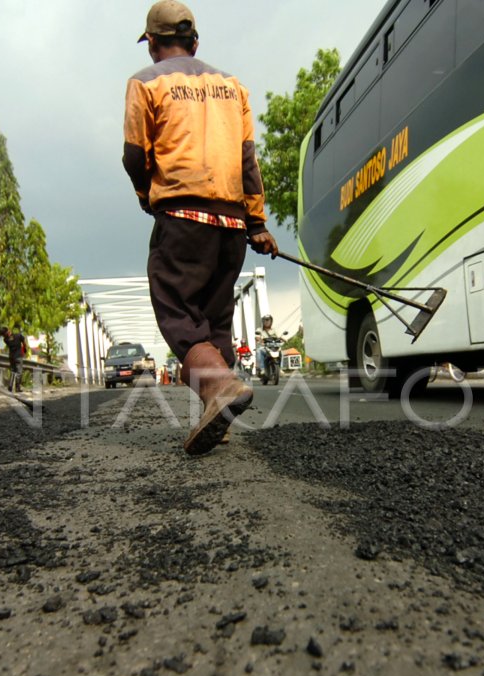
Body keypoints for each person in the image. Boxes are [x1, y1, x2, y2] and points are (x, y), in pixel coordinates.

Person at [123, 0, 278, 455]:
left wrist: (146, 196)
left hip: (183, 216)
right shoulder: (233, 87)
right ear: (195, 42)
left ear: (152, 43)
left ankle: (219, 389)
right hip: (231, 223)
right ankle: (220, 410)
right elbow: (248, 161)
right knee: (215, 319)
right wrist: (256, 222)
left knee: (175, 307)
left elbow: (135, 155)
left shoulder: (145, 82)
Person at [1, 326, 27, 391]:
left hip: (11, 357)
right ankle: (17, 387)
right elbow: (24, 342)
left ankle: (10, 385)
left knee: (13, 371)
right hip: (18, 356)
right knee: (19, 372)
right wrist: (24, 348)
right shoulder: (18, 336)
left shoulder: (5, 340)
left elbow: (10, 339)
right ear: (8, 330)